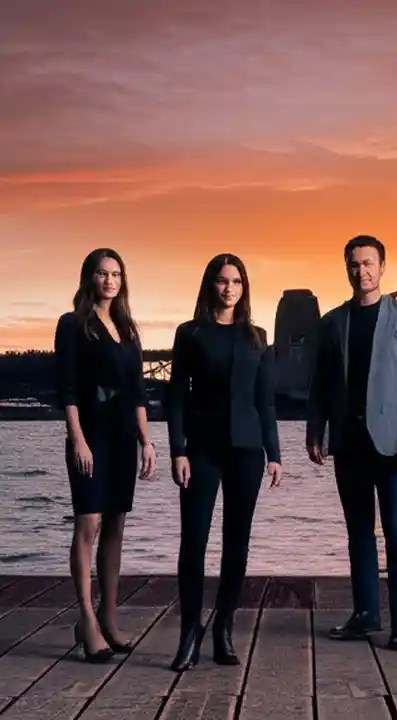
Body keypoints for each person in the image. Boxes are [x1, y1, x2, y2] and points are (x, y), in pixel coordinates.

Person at [307, 234, 397, 652]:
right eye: (354, 264)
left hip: (395, 445)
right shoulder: (332, 322)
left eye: (368, 263)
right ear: (347, 269)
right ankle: (365, 615)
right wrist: (315, 431)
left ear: (382, 267)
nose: (362, 271)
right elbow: (321, 383)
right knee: (358, 533)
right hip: (349, 443)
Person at [166, 253, 283, 672]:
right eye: (221, 280)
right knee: (193, 542)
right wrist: (177, 449)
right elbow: (176, 396)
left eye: (236, 281)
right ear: (210, 285)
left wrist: (276, 454)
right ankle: (190, 633)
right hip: (201, 450)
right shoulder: (190, 333)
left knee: (237, 543)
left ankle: (224, 627)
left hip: (248, 452)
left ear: (244, 287)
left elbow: (265, 401)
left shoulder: (257, 336)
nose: (229, 288)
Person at [54, 248, 157, 663]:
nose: (109, 281)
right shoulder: (73, 324)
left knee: (116, 522)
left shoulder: (127, 329)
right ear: (89, 278)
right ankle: (86, 620)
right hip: (91, 433)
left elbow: (137, 391)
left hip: (120, 436)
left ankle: (109, 618)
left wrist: (147, 441)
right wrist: (77, 439)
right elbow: (68, 386)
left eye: (116, 274)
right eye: (102, 273)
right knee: (89, 521)